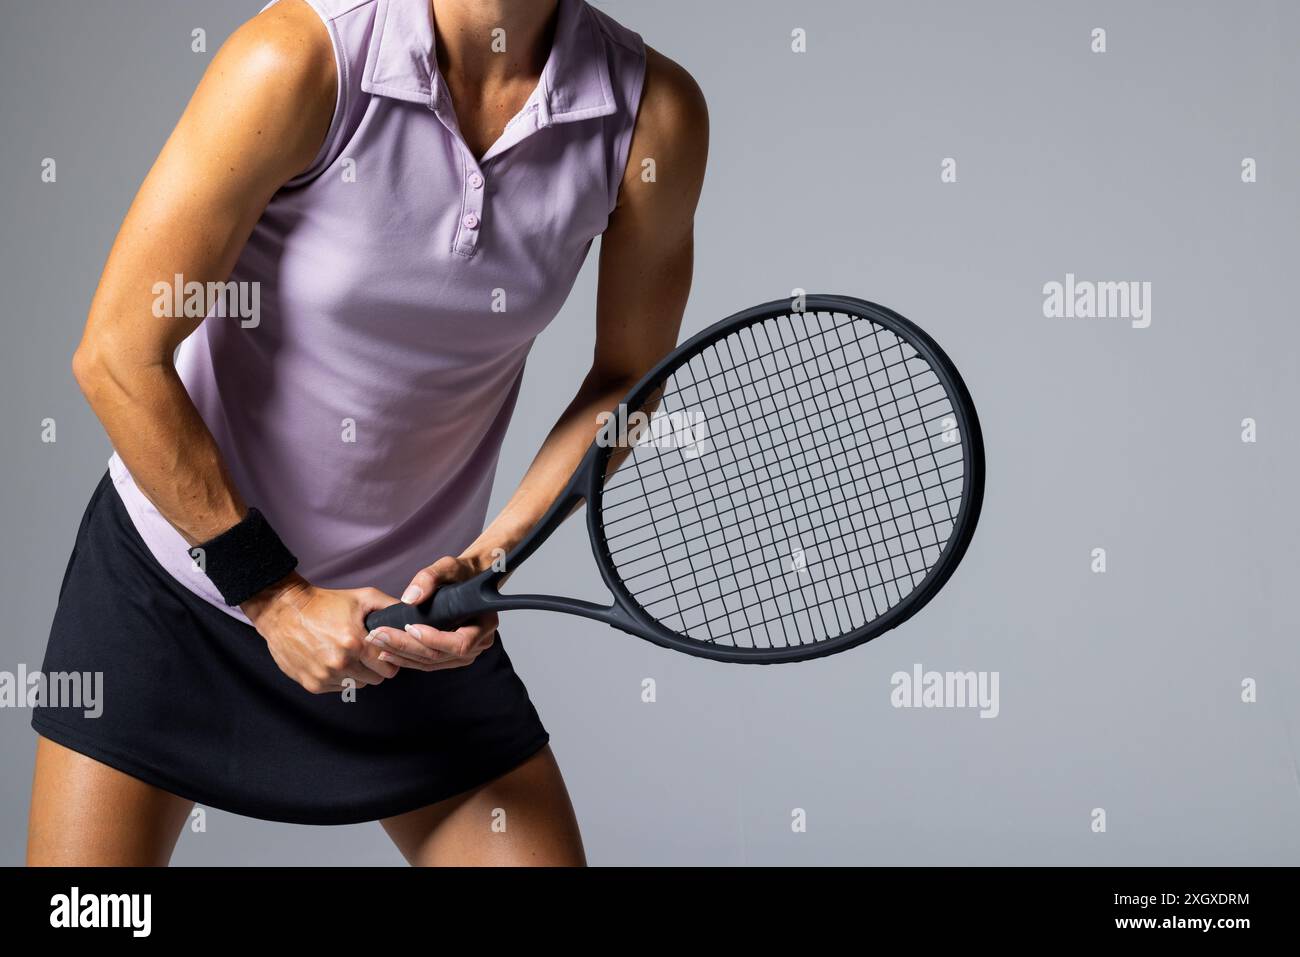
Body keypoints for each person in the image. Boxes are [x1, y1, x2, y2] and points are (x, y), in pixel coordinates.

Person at [27, 0, 707, 866]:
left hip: (401, 630)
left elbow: (625, 378)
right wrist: (273, 595)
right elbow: (118, 356)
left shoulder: (652, 116)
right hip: (180, 590)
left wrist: (491, 555)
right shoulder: (300, 59)